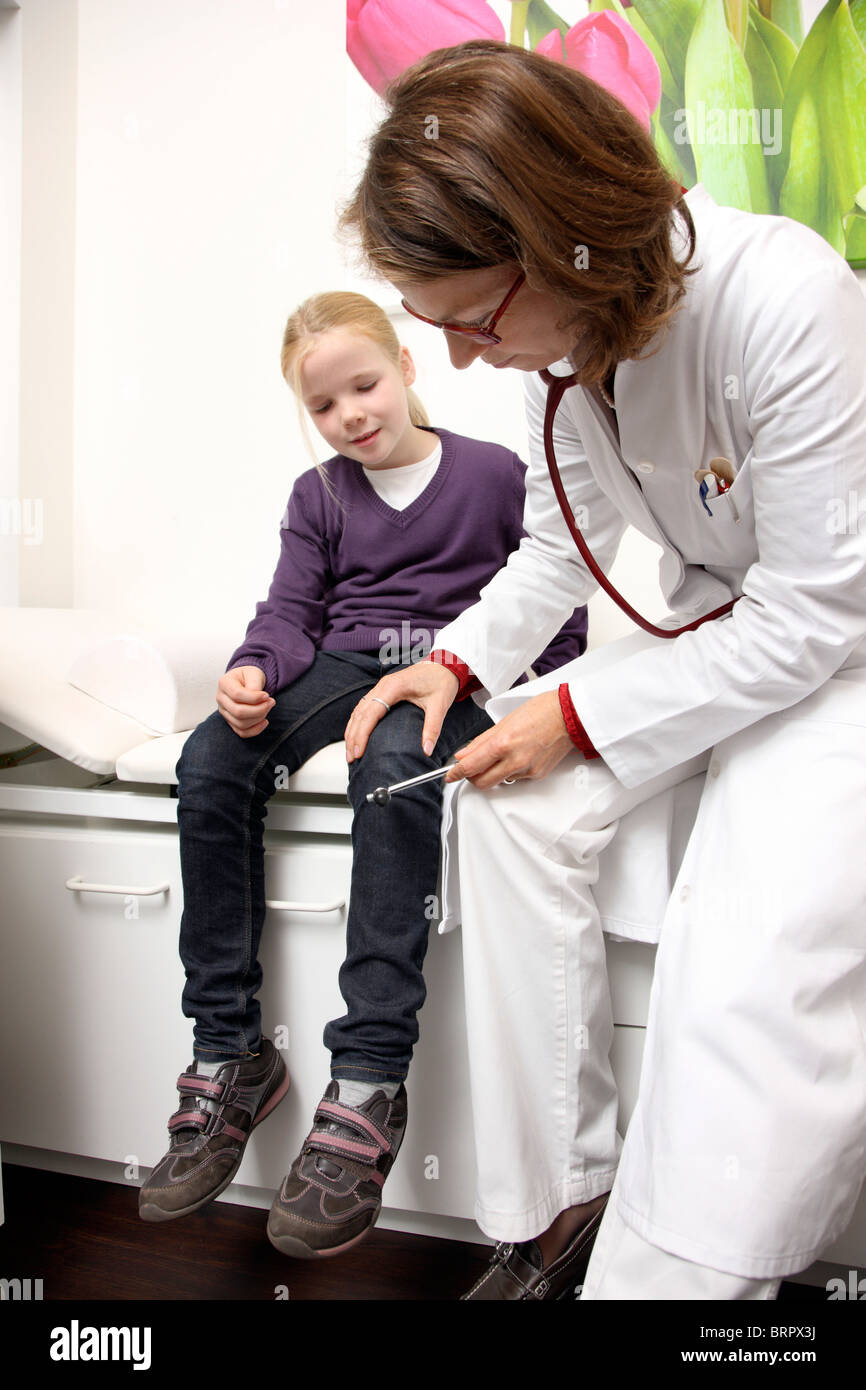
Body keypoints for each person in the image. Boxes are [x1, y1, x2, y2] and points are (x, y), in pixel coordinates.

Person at [339, 40, 866, 1299]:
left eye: (473, 318)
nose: (461, 360)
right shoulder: (556, 351)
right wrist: (457, 664)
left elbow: (810, 616)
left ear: (567, 241)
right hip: (708, 636)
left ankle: (674, 1285)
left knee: (744, 945)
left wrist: (574, 711)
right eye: (436, 326)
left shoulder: (784, 298)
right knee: (502, 805)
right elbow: (550, 553)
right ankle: (555, 1204)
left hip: (840, 655)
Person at [137, 289, 587, 1258]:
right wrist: (253, 670)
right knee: (209, 760)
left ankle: (369, 1077)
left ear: (407, 367)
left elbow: (555, 606)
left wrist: (513, 692)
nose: (352, 415)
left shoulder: (493, 473)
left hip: (450, 668)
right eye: (326, 405)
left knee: (392, 765)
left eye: (365, 384)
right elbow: (290, 611)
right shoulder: (320, 495)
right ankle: (227, 1052)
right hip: (338, 667)